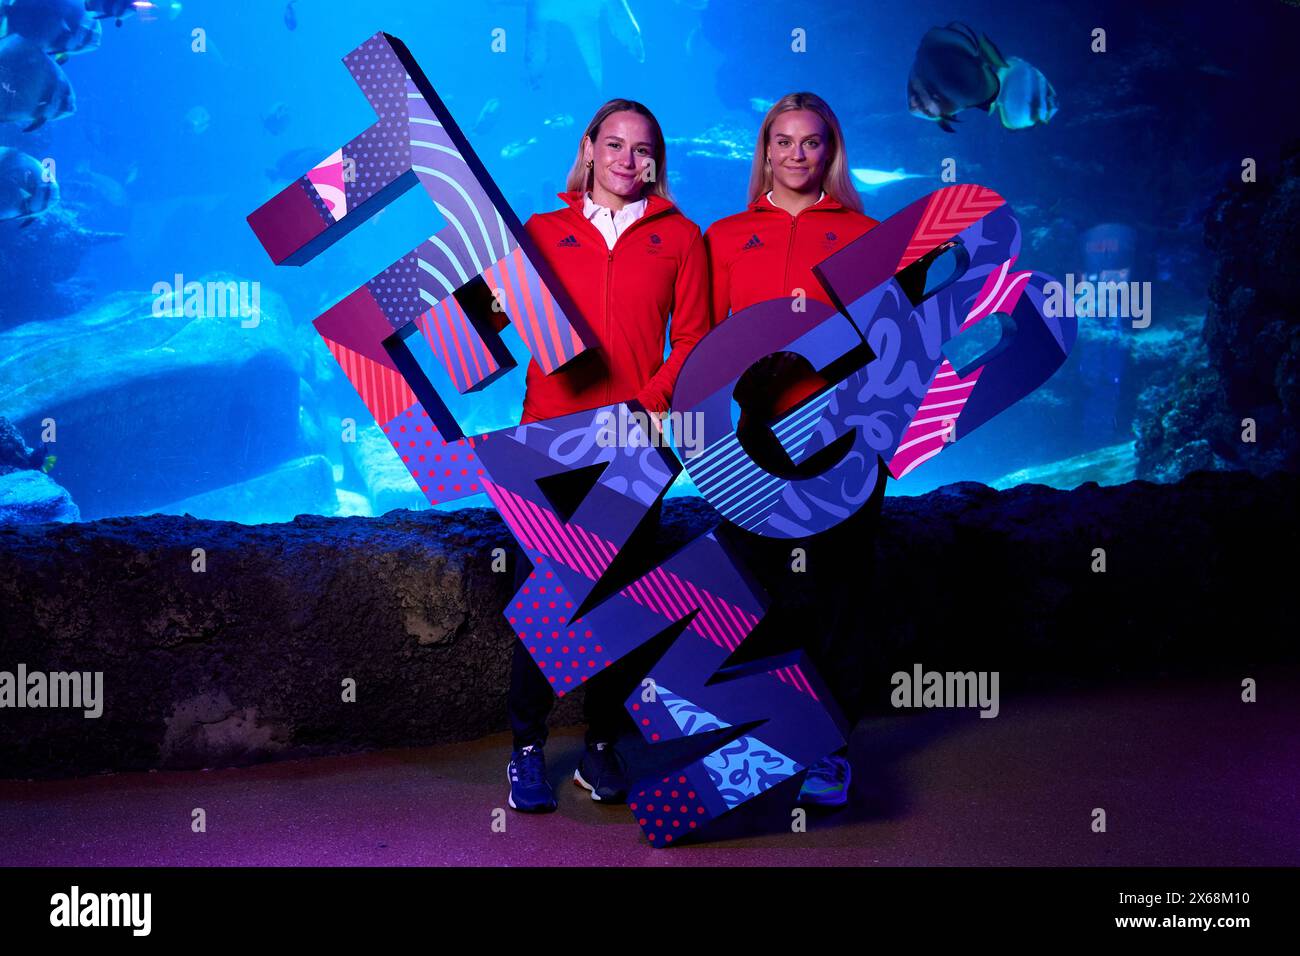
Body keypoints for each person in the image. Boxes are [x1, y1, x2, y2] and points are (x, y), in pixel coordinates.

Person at [507, 99, 710, 813]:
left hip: (634, 449)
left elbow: (692, 342)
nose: (628, 160)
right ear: (588, 148)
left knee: (617, 605)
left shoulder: (683, 238)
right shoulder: (541, 231)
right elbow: (493, 325)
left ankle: (601, 744)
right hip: (546, 445)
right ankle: (526, 746)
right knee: (546, 602)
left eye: (642, 148)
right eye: (614, 144)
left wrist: (647, 411)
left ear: (656, 159)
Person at [703, 92, 882, 809]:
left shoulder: (871, 235)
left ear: (830, 150)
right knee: (744, 592)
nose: (797, 156)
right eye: (784, 141)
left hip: (842, 446)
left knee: (840, 597)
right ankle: (756, 738)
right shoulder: (722, 236)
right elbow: (704, 355)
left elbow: (888, 350)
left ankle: (829, 750)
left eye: (812, 143)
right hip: (747, 451)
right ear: (765, 150)